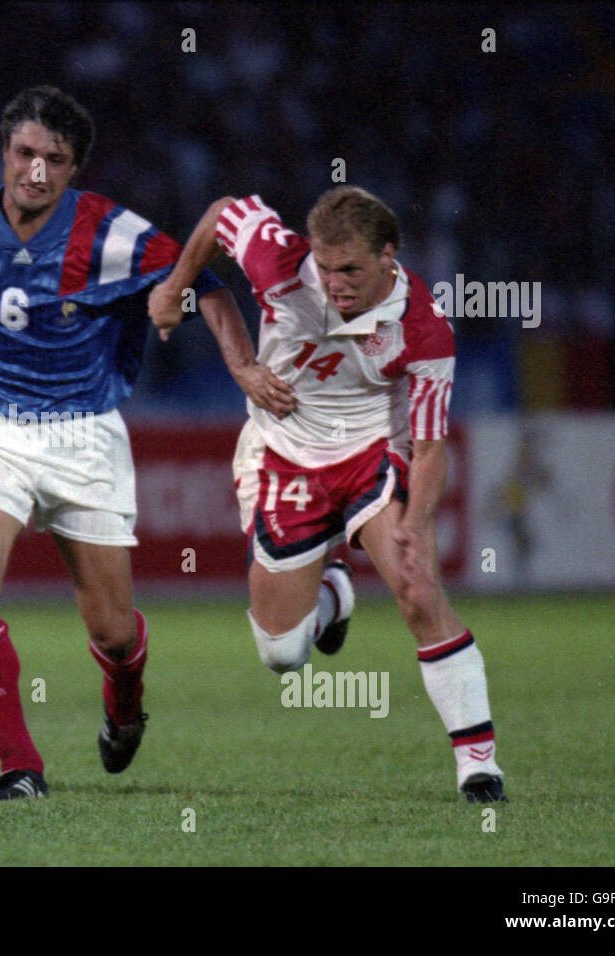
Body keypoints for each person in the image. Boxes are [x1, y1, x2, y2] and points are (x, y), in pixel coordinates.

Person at [0, 87, 266, 799]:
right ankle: (21, 766)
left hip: (84, 435)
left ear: (75, 168)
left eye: (56, 159)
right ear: (3, 151)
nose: (37, 172)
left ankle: (126, 700)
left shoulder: (117, 235)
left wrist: (240, 364)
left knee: (112, 631)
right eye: (25, 153)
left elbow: (204, 284)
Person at [148, 186, 508, 802]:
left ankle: (478, 765)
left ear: (389, 256)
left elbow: (429, 449)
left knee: (418, 592)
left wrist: (415, 526)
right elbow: (217, 215)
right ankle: (334, 592)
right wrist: (201, 316)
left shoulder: (422, 326)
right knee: (283, 655)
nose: (334, 282)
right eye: (325, 265)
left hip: (373, 451)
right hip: (284, 454)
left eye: (351, 270)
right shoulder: (278, 260)